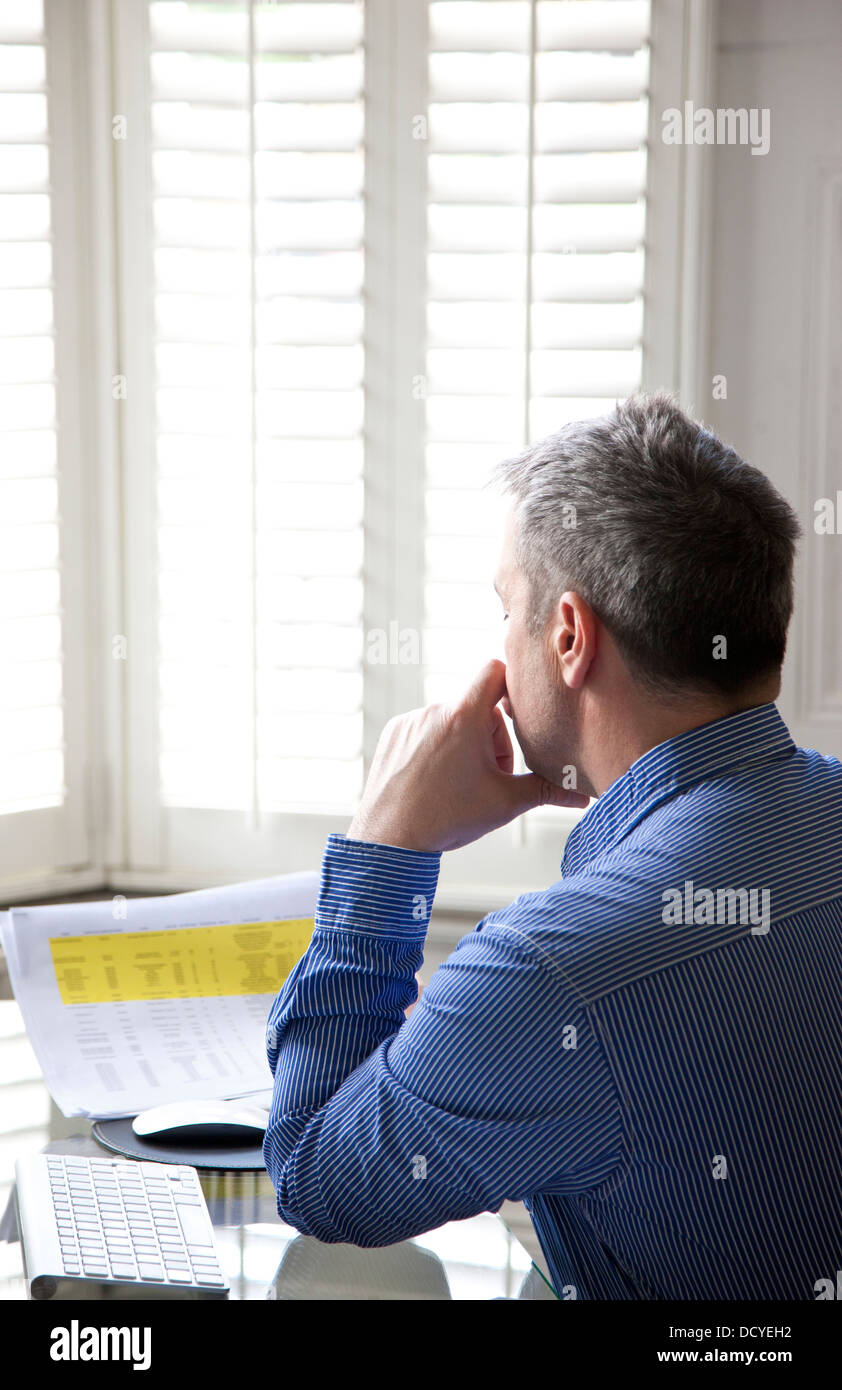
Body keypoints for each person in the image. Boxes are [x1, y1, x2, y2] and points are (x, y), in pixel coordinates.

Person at [263, 392, 842, 1299]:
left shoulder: (550, 970)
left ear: (569, 636)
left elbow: (315, 1174)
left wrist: (385, 847)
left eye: (506, 609)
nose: (498, 646)